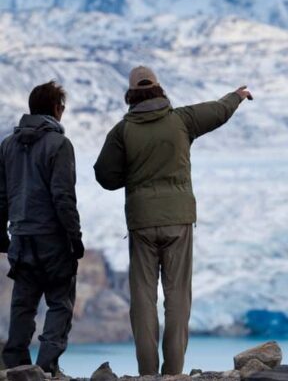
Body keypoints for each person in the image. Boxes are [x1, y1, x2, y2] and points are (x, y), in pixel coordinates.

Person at [93, 66, 251, 376]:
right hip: (178, 220)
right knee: (177, 297)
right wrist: (237, 96)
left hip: (141, 221)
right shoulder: (181, 119)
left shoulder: (123, 130)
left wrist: (134, 179)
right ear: (159, 88)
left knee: (143, 299)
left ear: (131, 93)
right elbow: (218, 111)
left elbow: (104, 175)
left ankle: (148, 373)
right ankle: (174, 373)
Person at [0, 81, 84, 376]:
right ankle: (46, 367)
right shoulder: (60, 145)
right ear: (57, 109)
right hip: (52, 238)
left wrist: (2, 232)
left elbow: (1, 196)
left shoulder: (8, 145)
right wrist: (75, 238)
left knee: (23, 303)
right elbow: (63, 196)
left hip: (21, 237)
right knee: (60, 303)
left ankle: (17, 366)